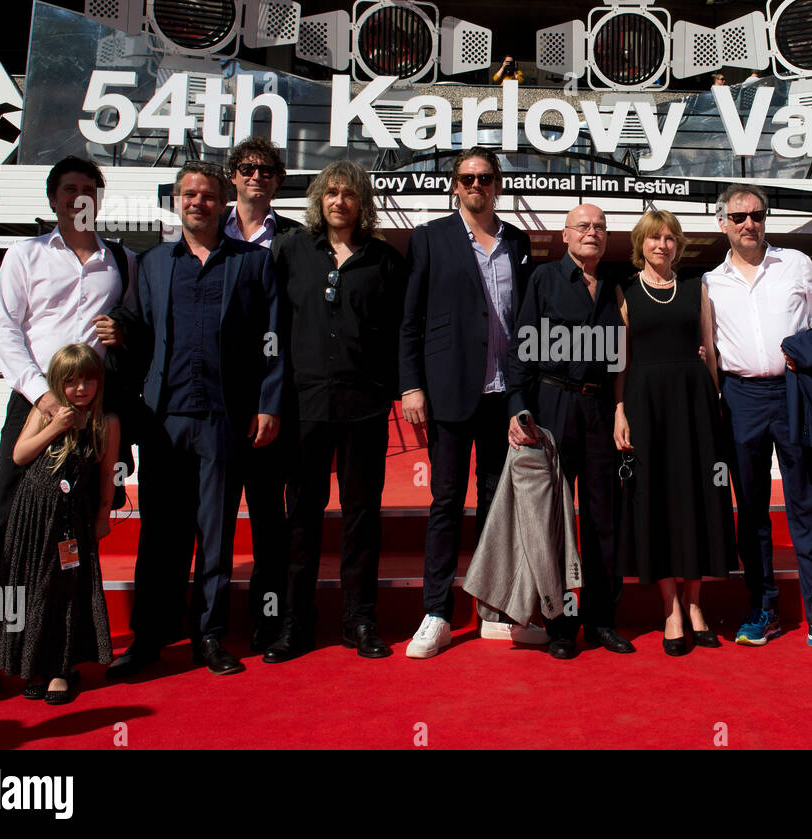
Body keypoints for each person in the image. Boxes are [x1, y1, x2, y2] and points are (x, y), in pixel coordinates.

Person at [108, 161, 283, 678]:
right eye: (189, 195)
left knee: (216, 533)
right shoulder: (152, 263)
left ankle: (208, 635)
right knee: (160, 535)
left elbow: (273, 340)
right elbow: (139, 330)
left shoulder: (253, 263)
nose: (198, 203)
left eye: (207, 195)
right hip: (163, 419)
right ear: (177, 201)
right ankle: (148, 639)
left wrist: (269, 403)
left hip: (224, 420)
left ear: (223, 203)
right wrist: (119, 329)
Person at [0, 156, 137, 696]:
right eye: (70, 188)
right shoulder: (25, 254)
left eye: (89, 188)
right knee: (8, 527)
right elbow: (5, 330)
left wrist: (123, 335)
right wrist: (41, 397)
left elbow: (135, 331)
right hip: (34, 406)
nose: (79, 196)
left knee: (75, 534)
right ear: (53, 199)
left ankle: (62, 650)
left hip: (93, 416)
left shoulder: (124, 261)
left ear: (99, 199)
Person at [703, 184, 812, 654]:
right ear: (722, 222)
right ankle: (763, 608)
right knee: (752, 509)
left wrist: (811, 351)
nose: (748, 224)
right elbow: (708, 347)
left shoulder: (795, 263)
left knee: (807, 504)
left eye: (756, 215)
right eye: (738, 217)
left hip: (793, 393)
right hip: (740, 397)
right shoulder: (710, 282)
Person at [264, 161, 404, 662]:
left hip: (364, 405)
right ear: (319, 199)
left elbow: (399, 331)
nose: (339, 201)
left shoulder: (385, 260)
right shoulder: (290, 250)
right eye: (331, 192)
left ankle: (359, 620)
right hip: (303, 405)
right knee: (301, 515)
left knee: (361, 517)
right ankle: (294, 623)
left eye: (348, 193)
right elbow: (272, 321)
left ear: (361, 202)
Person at [399, 147, 533, 658]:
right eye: (467, 177)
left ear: (497, 184)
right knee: (446, 503)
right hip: (450, 392)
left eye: (485, 177)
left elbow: (525, 323)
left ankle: (492, 604)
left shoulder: (517, 242)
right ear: (455, 185)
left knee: (497, 504)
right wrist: (411, 385)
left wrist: (525, 395)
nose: (476, 184)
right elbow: (410, 320)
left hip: (503, 396)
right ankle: (436, 611)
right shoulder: (430, 238)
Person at [505, 204, 635, 658]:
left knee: (603, 519)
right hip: (552, 407)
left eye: (599, 227)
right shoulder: (544, 279)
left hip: (599, 409)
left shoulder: (616, 286)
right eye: (583, 226)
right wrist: (518, 408)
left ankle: (601, 621)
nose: (592, 232)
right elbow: (521, 348)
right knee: (553, 523)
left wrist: (619, 410)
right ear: (565, 235)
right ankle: (560, 625)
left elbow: (621, 357)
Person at [614, 210, 737, 656]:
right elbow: (621, 360)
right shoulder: (625, 292)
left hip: (694, 403)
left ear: (678, 245)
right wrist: (619, 410)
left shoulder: (695, 288)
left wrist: (716, 403)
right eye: (654, 238)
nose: (662, 245)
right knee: (657, 500)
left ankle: (696, 604)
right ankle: (670, 609)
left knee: (696, 499)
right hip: (646, 405)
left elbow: (710, 352)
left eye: (669, 238)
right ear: (641, 245)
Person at [0, 344, 120, 704]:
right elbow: (19, 455)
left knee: (67, 591)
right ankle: (34, 666)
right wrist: (55, 426)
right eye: (71, 382)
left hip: (74, 522)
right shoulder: (43, 413)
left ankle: (63, 668)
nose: (81, 388)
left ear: (99, 381)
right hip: (34, 519)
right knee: (33, 589)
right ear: (57, 383)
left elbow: (107, 475)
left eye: (88, 380)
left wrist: (103, 517)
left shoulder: (106, 422)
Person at [223, 136, 302, 652]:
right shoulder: (207, 229)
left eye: (267, 170)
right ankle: (205, 622)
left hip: (275, 397)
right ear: (233, 175)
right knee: (211, 516)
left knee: (270, 519)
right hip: (215, 399)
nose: (257, 176)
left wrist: (272, 401)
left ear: (277, 180)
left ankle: (267, 617)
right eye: (248, 168)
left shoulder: (296, 238)